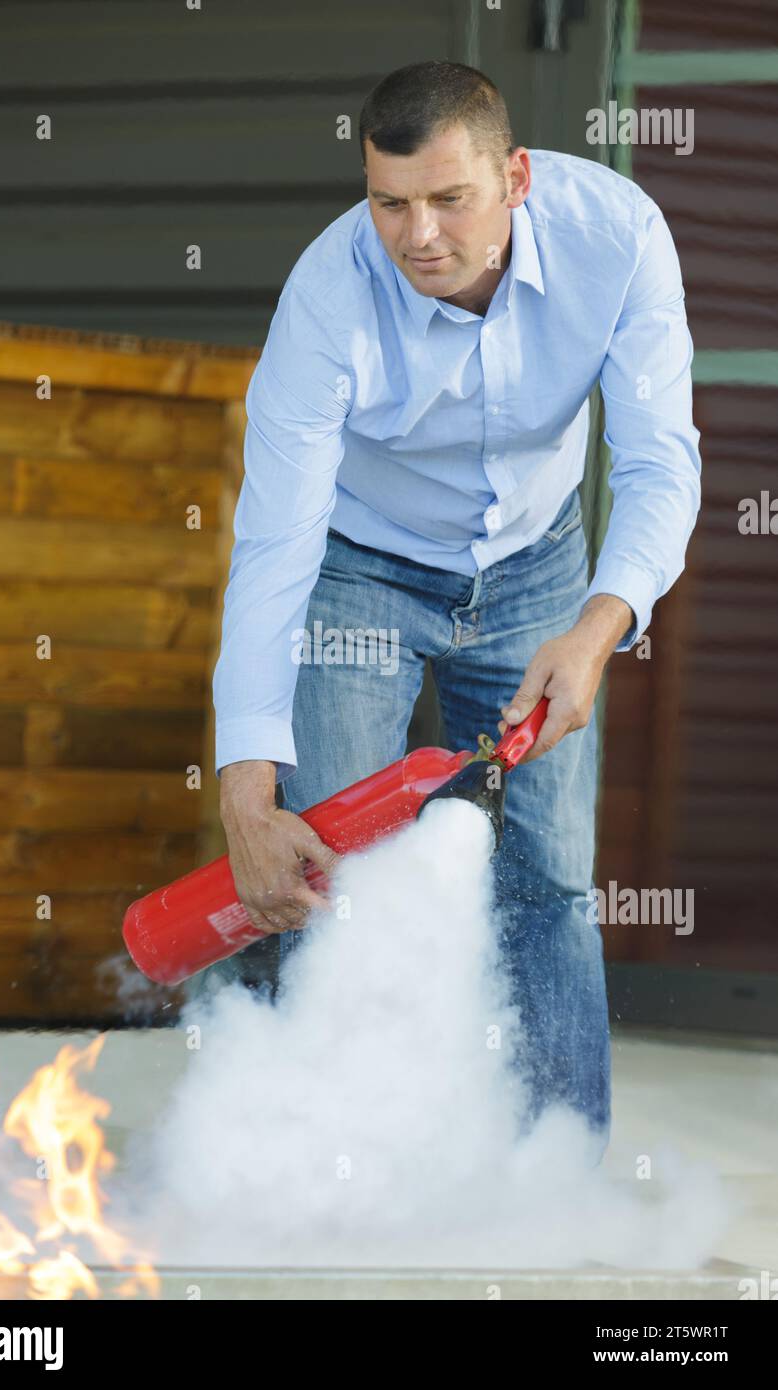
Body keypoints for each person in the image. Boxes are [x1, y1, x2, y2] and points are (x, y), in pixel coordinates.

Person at [212, 61, 701, 1145]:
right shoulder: (327, 294)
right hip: (359, 568)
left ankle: (554, 1172)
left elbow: (660, 465)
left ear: (515, 177)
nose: (415, 234)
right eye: (388, 201)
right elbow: (273, 544)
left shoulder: (615, 237)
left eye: (448, 199)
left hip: (537, 565)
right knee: (330, 880)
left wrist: (594, 628)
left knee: (547, 878)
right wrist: (245, 785)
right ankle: (329, 1167)